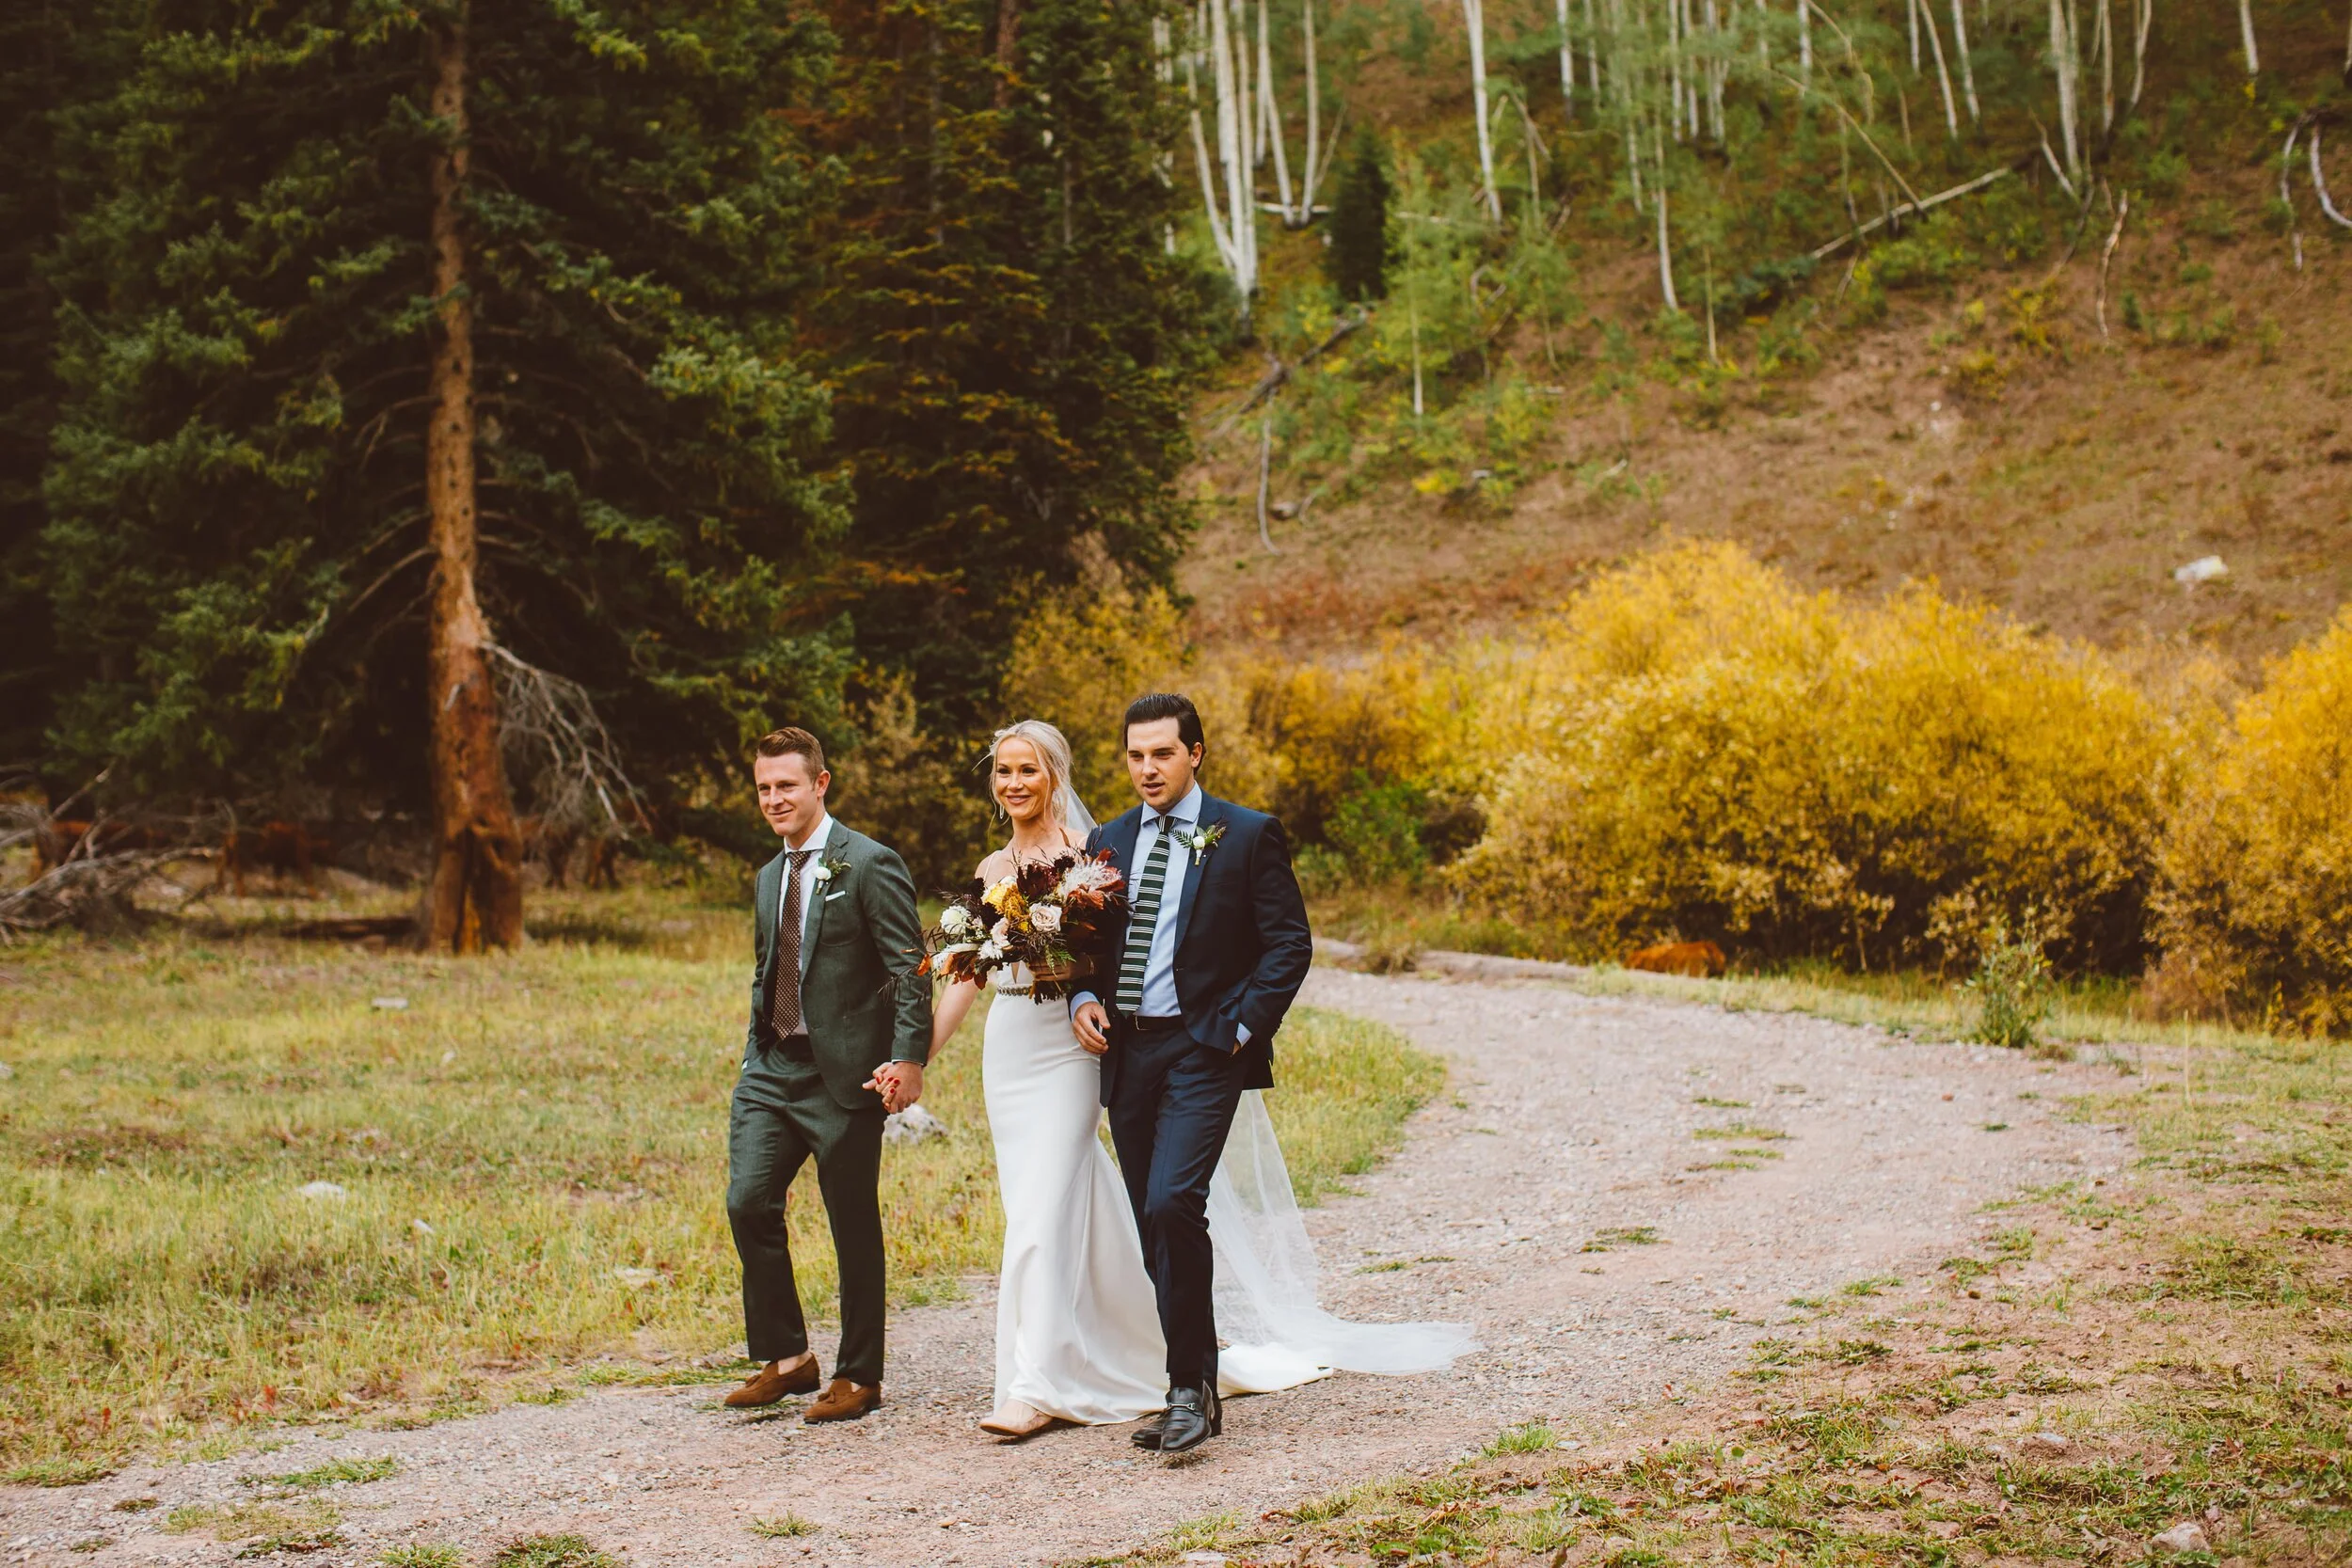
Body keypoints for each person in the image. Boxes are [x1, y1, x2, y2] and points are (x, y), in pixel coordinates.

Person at [1070, 693, 1313, 1455]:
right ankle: (1191, 1378)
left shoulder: (1246, 835)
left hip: (1205, 1049)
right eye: (1136, 755)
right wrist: (1080, 992)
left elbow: (1289, 944)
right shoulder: (1106, 840)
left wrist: (1239, 1028)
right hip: (1129, 1053)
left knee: (1177, 1198)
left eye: (1163, 753)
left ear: (1195, 753)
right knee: (1153, 1214)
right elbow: (1083, 939)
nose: (1148, 768)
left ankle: (1189, 1389)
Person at [927, 721, 1168, 1440]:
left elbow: (1113, 957)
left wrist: (1085, 993)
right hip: (1008, 1047)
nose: (1013, 784)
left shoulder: (1089, 858)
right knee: (1056, 1204)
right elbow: (966, 974)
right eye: (1003, 771)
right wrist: (922, 1057)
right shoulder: (990, 864)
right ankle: (1144, 1341)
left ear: (1054, 774)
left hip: (1069, 1044)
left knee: (1039, 1211)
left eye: (1026, 769)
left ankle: (1035, 1386)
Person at [721, 726, 931, 1424]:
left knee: (850, 1223)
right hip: (772, 1070)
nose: (775, 798)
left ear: (820, 783)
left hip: (845, 1078)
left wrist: (908, 1058)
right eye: (764, 788)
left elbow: (909, 968)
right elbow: (766, 967)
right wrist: (756, 1049)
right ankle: (787, 1358)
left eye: (787, 784)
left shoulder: (868, 863)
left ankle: (858, 1372)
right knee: (749, 1201)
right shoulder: (767, 876)